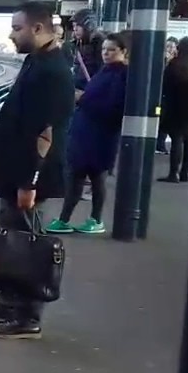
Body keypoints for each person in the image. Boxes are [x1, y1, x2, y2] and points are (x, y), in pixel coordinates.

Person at [0, 2, 76, 340]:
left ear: (37, 29)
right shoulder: (37, 62)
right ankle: (8, 302)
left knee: (29, 247)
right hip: (14, 176)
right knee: (12, 243)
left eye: (17, 28)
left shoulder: (53, 72)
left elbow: (44, 133)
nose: (11, 34)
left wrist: (28, 182)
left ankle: (28, 318)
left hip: (29, 178)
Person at [47, 33, 130, 235]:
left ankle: (95, 219)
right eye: (104, 49)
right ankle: (64, 219)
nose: (106, 53)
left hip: (101, 135)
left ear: (124, 52)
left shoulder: (121, 75)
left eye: (111, 50)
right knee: (76, 176)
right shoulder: (106, 71)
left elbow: (113, 106)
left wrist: (83, 99)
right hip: (86, 133)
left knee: (96, 178)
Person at [158, 36, 188, 183]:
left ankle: (174, 173)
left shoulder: (174, 66)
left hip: (176, 109)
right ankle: (185, 173)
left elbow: (164, 87)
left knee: (176, 141)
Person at [70, 9, 104, 92]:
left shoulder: (100, 44)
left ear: (89, 26)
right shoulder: (78, 44)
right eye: (74, 26)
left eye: (78, 26)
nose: (75, 29)